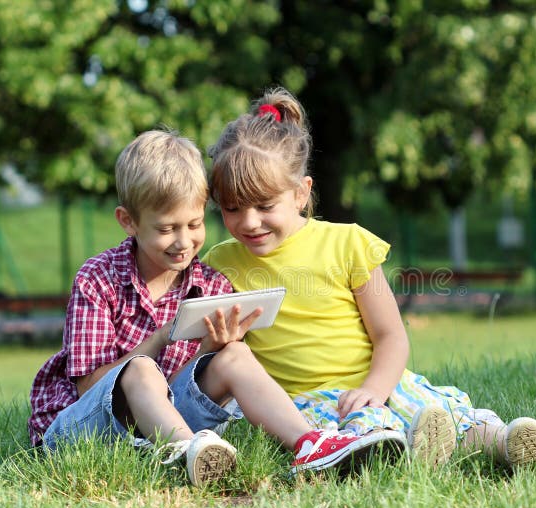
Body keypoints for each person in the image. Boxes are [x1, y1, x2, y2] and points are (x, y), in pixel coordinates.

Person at [202, 88, 536, 469]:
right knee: (369, 433)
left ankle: (505, 443)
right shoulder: (222, 262)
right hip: (303, 401)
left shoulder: (347, 244)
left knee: (435, 411)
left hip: (377, 382)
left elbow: (390, 334)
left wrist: (375, 388)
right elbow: (216, 358)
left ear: (300, 194)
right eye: (232, 208)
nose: (249, 221)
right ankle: (417, 450)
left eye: (264, 205)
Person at [27, 129, 406, 487]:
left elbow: (192, 382)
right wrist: (161, 338)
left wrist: (212, 349)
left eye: (194, 224)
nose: (183, 241)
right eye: (166, 229)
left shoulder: (211, 284)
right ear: (129, 222)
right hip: (90, 429)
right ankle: (190, 452)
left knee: (236, 354)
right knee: (141, 369)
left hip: (174, 423)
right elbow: (89, 387)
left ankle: (309, 445)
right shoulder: (97, 280)